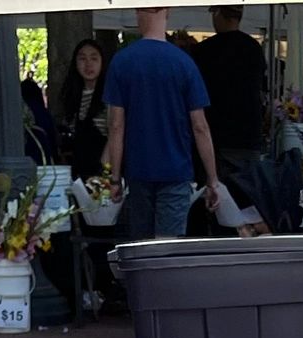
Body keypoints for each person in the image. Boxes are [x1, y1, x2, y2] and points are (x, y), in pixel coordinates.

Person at [102, 5, 221, 240]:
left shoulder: (122, 61)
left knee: (141, 246)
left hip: (138, 170)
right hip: (176, 170)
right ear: (167, 12)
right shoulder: (185, 63)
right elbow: (200, 126)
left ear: (138, 13)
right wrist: (212, 179)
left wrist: (114, 177)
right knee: (166, 249)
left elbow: (116, 125)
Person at [192, 6, 268, 211]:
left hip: (216, 134)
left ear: (218, 14)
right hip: (248, 135)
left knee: (216, 200)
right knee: (246, 200)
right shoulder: (253, 48)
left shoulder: (204, 51)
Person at [58, 37, 108, 177]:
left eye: (94, 58)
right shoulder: (71, 97)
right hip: (77, 171)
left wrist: (105, 172)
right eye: (82, 59)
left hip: (102, 173)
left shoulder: (110, 96)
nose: (88, 64)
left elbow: (114, 135)